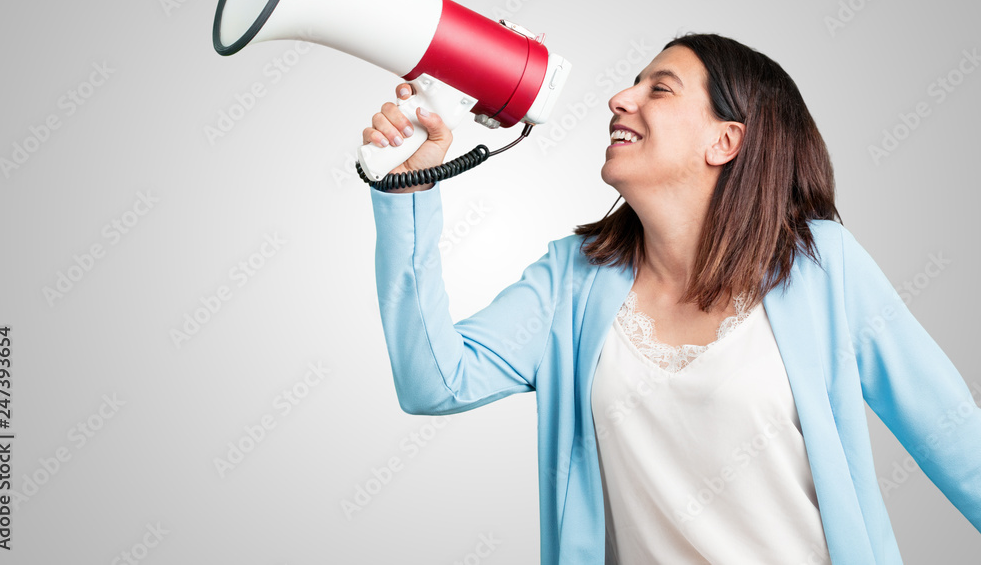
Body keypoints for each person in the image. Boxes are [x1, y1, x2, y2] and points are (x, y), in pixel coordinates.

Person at [363, 33, 981, 564]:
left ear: (725, 142)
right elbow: (434, 382)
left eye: (659, 89)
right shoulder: (571, 281)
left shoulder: (821, 266)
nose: (619, 99)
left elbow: (955, 440)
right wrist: (407, 190)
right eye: (634, 84)